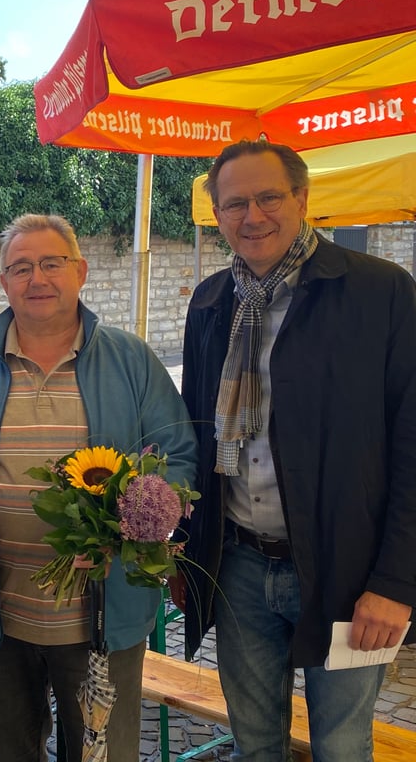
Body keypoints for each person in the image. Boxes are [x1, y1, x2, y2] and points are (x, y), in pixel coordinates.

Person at [172, 138, 416, 761]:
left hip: (348, 570)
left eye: (269, 198)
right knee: (254, 746)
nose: (252, 216)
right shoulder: (211, 302)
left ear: (303, 199)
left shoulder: (381, 291)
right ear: (217, 214)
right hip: (238, 567)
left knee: (342, 746)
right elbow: (197, 436)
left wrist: (395, 582)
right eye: (235, 204)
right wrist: (189, 554)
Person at [0, 213, 196, 762]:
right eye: (21, 267)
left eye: (52, 263)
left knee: (102, 754)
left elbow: (180, 458)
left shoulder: (131, 360)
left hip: (105, 614)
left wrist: (126, 526)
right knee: (12, 750)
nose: (37, 278)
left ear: (80, 271)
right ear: (4, 282)